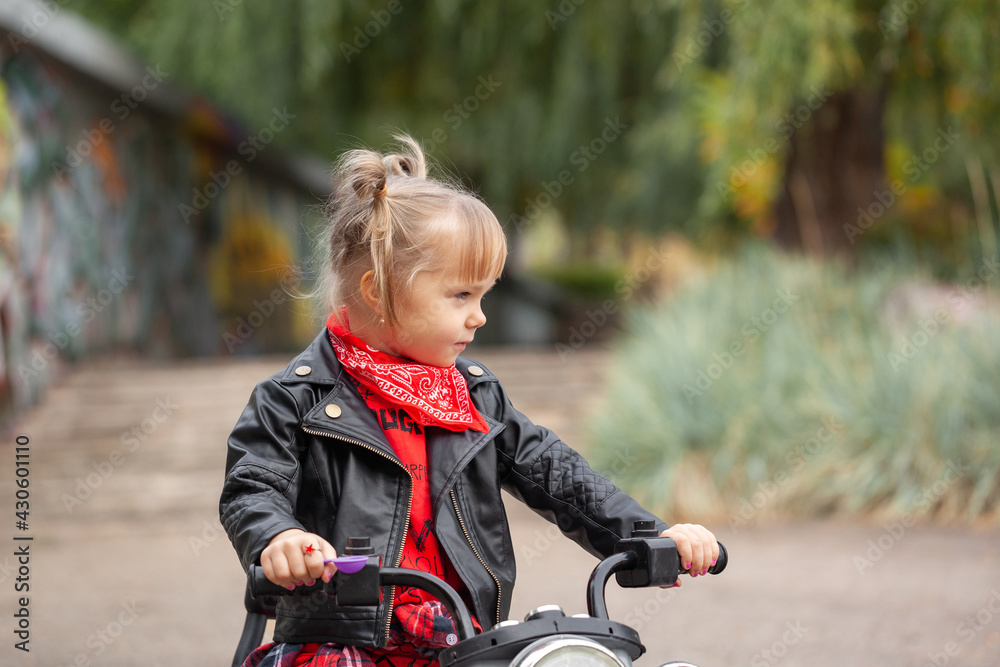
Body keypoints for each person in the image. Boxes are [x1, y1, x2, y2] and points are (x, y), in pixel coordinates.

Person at [220, 135, 719, 667]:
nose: (479, 316)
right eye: (461, 295)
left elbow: (559, 475)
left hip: (457, 634)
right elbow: (253, 488)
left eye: (483, 295)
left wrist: (650, 534)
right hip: (343, 637)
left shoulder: (474, 395)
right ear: (377, 291)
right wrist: (281, 537)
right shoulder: (294, 399)